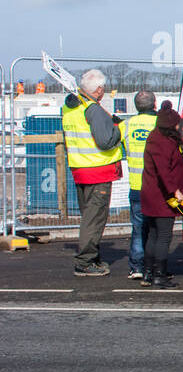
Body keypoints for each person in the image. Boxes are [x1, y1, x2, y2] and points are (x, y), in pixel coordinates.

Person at [63, 69, 123, 276]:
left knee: (88, 215)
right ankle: (85, 261)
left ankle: (91, 257)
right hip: (98, 170)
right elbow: (105, 141)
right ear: (98, 89)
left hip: (80, 167)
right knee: (95, 217)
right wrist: (118, 129)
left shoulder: (71, 107)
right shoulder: (93, 110)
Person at [138, 101, 183, 288]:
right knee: (164, 235)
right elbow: (164, 171)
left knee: (153, 234)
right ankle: (159, 274)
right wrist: (175, 191)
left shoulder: (154, 137)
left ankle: (148, 273)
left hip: (150, 193)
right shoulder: (164, 142)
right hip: (162, 196)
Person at [119, 90, 158, 279]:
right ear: (154, 104)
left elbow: (113, 144)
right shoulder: (161, 124)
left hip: (136, 185)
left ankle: (137, 267)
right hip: (157, 187)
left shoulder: (126, 125)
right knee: (157, 229)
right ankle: (156, 266)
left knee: (138, 228)